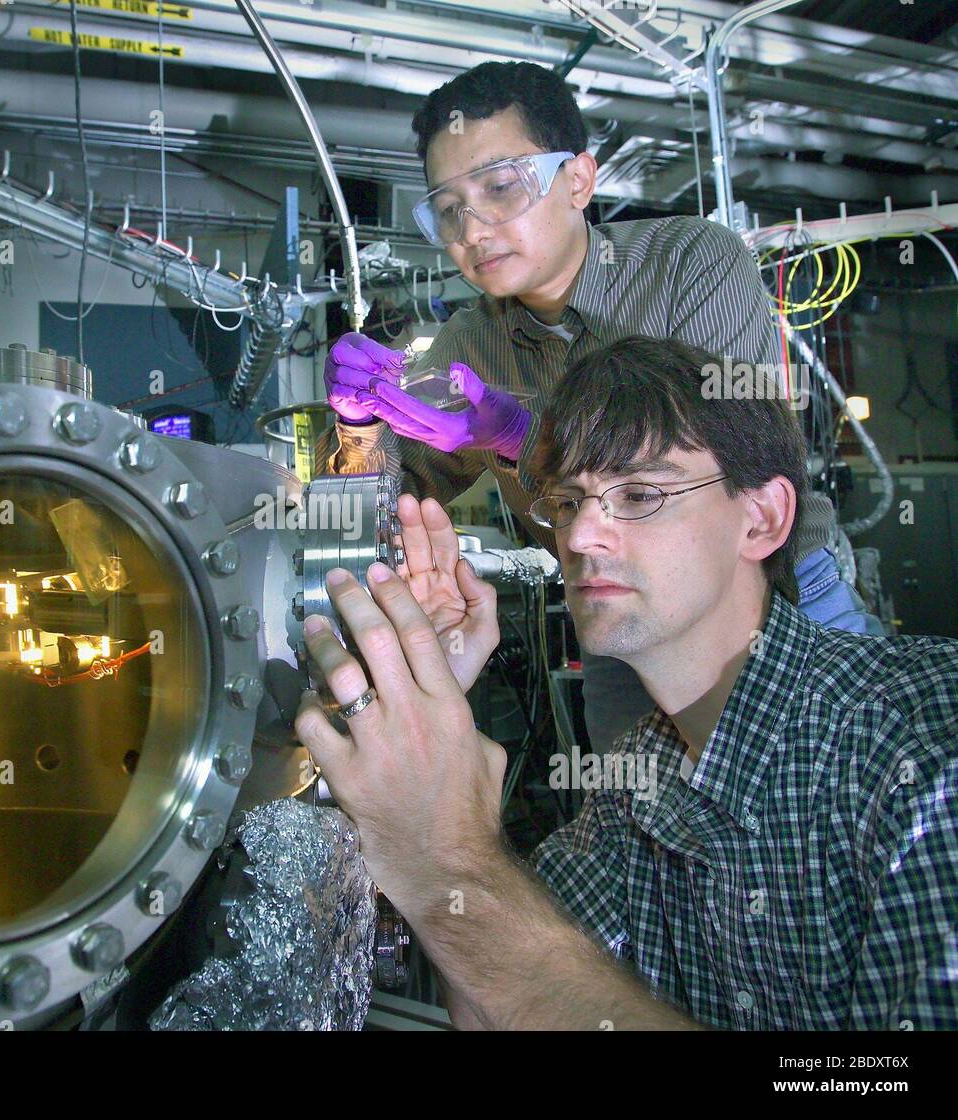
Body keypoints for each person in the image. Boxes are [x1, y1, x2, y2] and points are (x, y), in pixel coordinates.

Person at [296, 336, 958, 1030]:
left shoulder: (921, 746)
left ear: (761, 518)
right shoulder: (632, 786)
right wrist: (427, 711)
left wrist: (449, 860)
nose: (580, 537)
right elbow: (502, 1007)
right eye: (569, 502)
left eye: (639, 494)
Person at [316, 59, 881, 756]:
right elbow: (365, 508)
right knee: (641, 828)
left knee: (854, 786)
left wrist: (521, 434)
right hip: (621, 624)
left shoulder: (691, 263)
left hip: (780, 594)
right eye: (450, 208)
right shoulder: (470, 342)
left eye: (499, 187)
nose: (474, 229)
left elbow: (716, 459)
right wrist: (356, 424)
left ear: (578, 180)